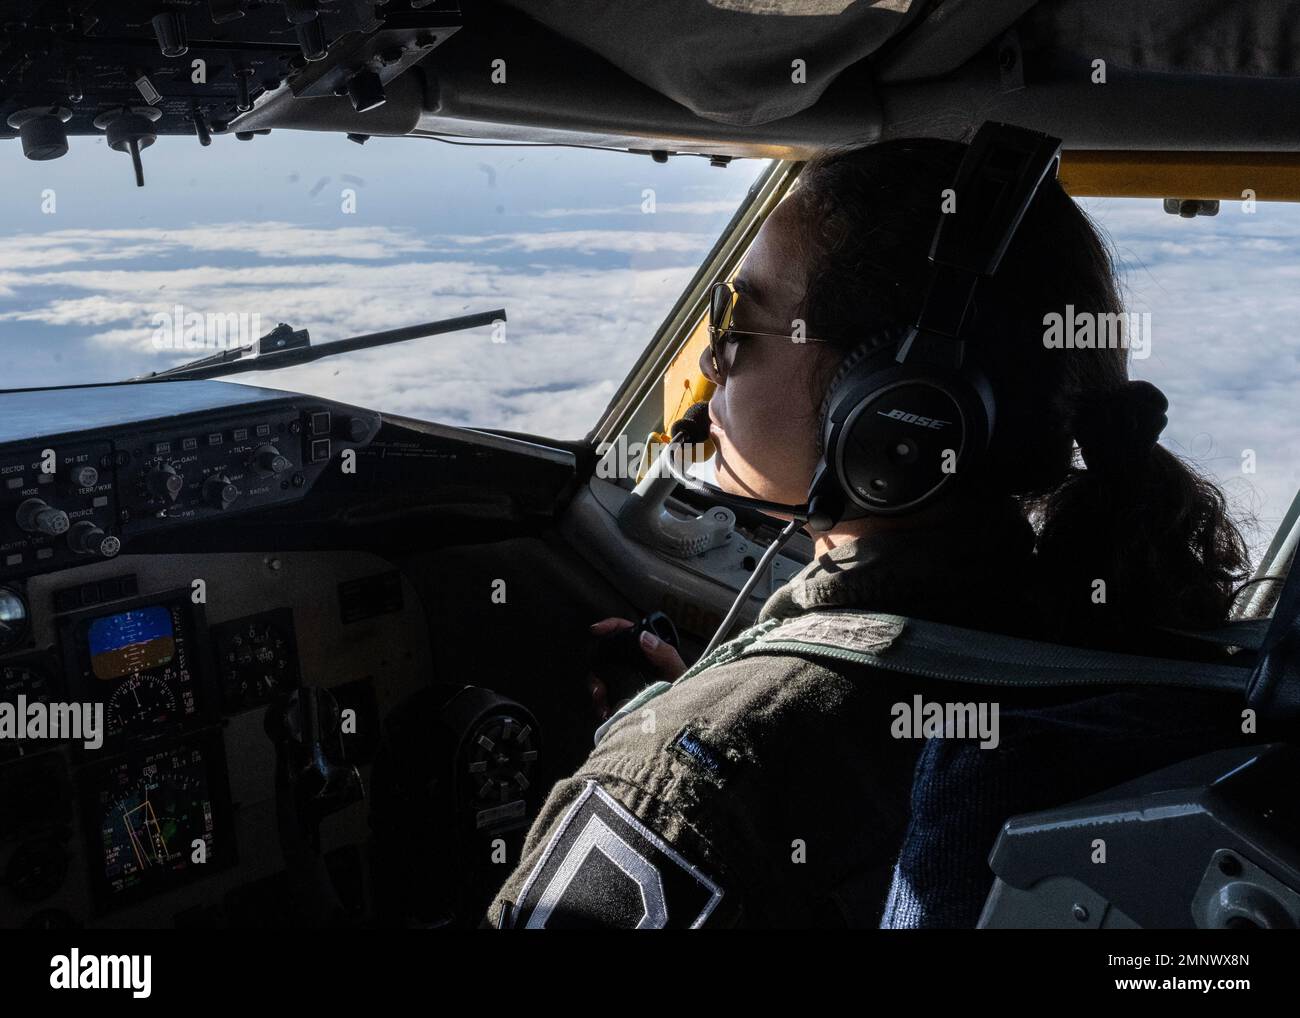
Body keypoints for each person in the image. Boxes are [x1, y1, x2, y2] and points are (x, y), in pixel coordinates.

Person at [486, 137, 1254, 929]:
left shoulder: (694, 786)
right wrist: (736, 715)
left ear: (897, 413)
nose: (713, 360)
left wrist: (692, 750)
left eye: (743, 323)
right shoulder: (1114, 637)